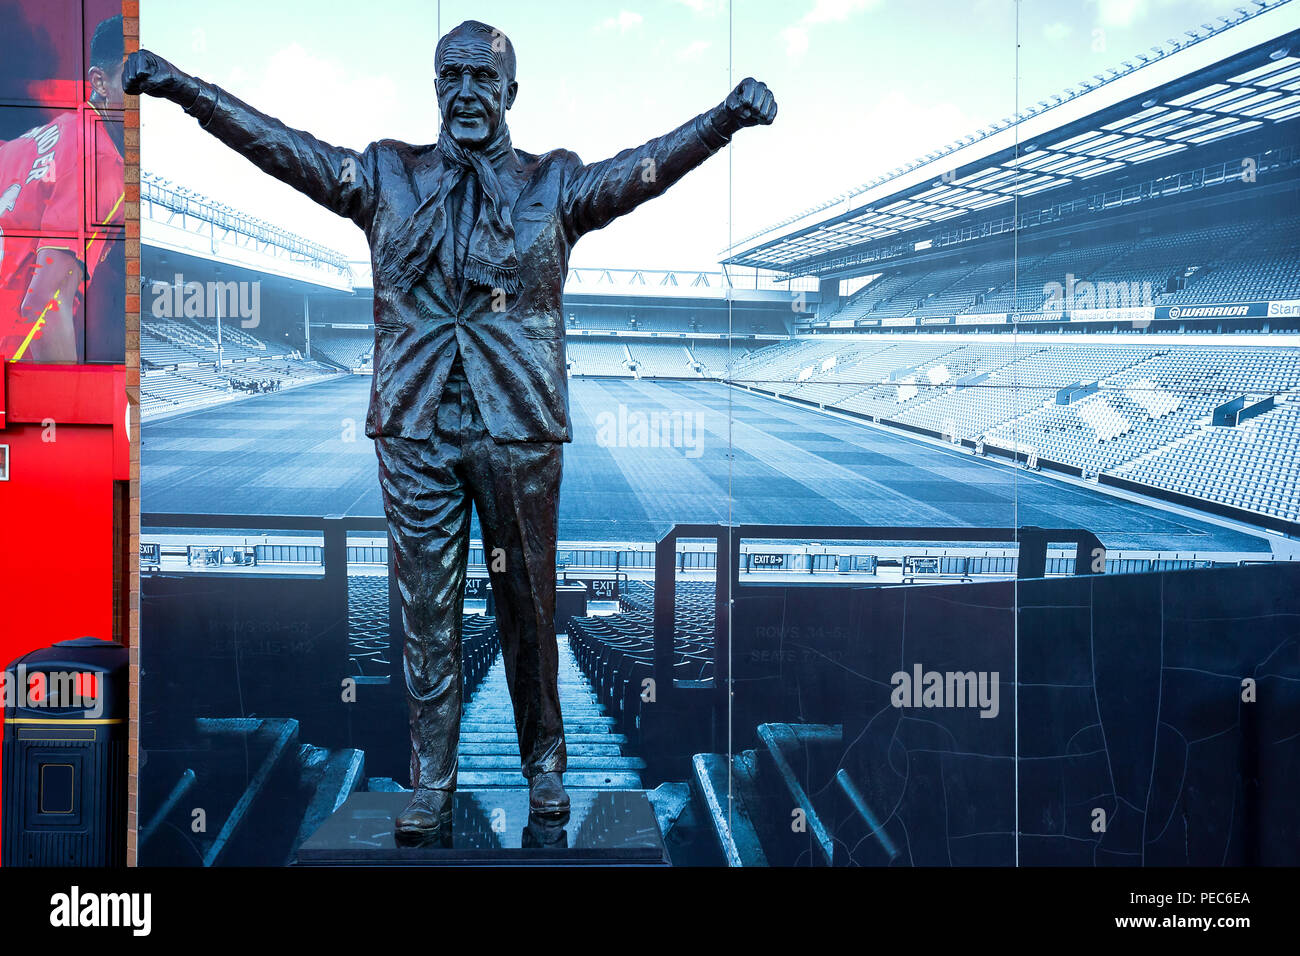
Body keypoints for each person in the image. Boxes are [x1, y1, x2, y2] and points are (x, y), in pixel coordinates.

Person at [124, 19, 776, 839]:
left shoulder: (555, 185)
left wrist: (722, 119)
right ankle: (432, 779)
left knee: (529, 609)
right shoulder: (386, 174)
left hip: (518, 426)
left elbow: (642, 173)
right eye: (451, 77)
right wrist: (185, 88)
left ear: (510, 91)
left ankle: (546, 767)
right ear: (437, 88)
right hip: (415, 424)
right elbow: (281, 148)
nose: (466, 92)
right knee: (425, 615)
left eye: (482, 78)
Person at [0, 14, 125, 363]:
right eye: (136, 81)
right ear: (100, 82)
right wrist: (64, 411)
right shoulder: (101, 161)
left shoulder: (52, 134)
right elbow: (44, 308)